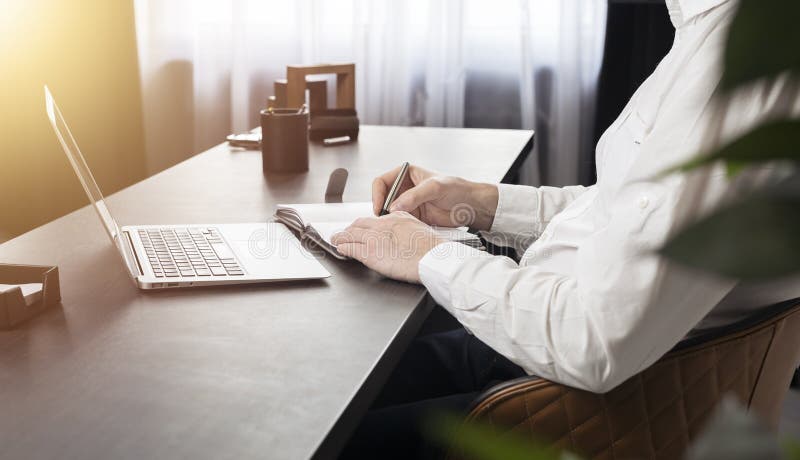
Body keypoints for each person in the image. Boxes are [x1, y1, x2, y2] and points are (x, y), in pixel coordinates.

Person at [333, 0, 800, 457]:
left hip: (578, 406)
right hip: (544, 356)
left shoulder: (731, 71)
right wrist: (481, 203)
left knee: (317, 428)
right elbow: (624, 210)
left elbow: (595, 340)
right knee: (337, 381)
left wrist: (428, 255)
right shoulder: (712, 35)